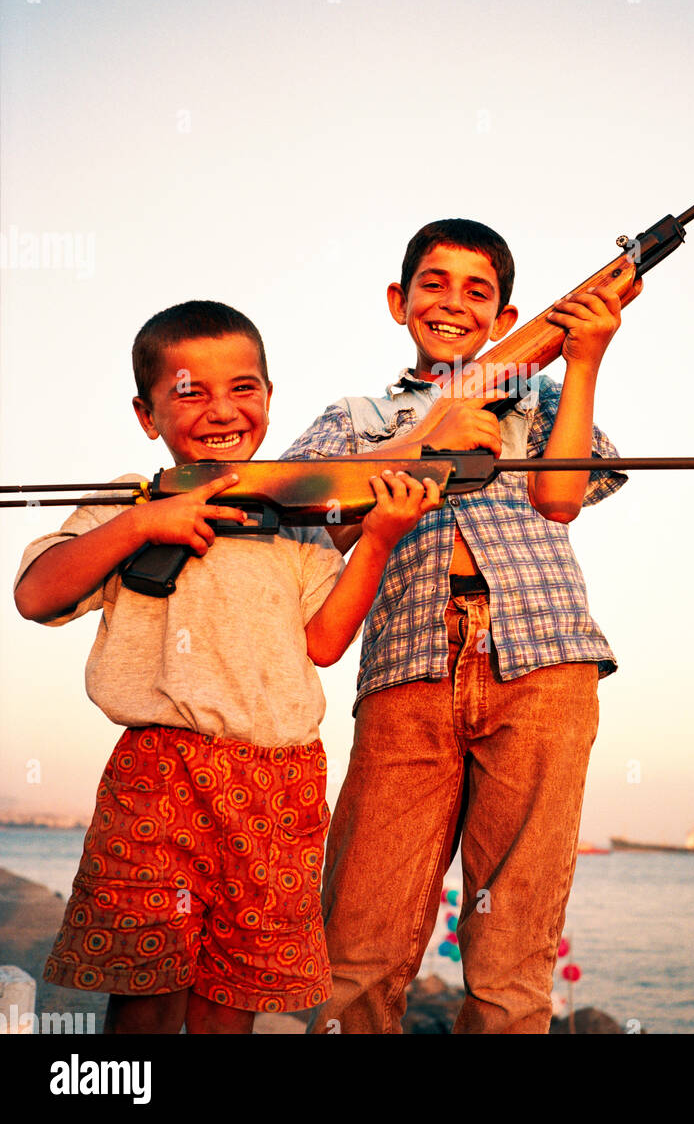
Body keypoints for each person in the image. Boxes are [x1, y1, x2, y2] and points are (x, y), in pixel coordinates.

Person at [13, 299, 440, 1035]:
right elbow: (36, 593)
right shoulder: (129, 501)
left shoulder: (297, 526)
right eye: (189, 390)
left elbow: (326, 642)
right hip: (157, 775)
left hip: (280, 785)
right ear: (148, 415)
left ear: (269, 400)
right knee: (143, 993)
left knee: (231, 1000)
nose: (222, 409)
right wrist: (145, 522)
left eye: (243, 388)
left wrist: (376, 540)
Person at [284, 218, 630, 1034]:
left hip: (542, 658)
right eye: (434, 284)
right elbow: (293, 498)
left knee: (512, 949)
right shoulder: (360, 415)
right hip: (406, 668)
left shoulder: (542, 398)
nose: (454, 304)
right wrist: (422, 436)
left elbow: (562, 498)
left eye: (480, 292)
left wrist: (583, 360)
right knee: (358, 940)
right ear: (400, 301)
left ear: (506, 321)